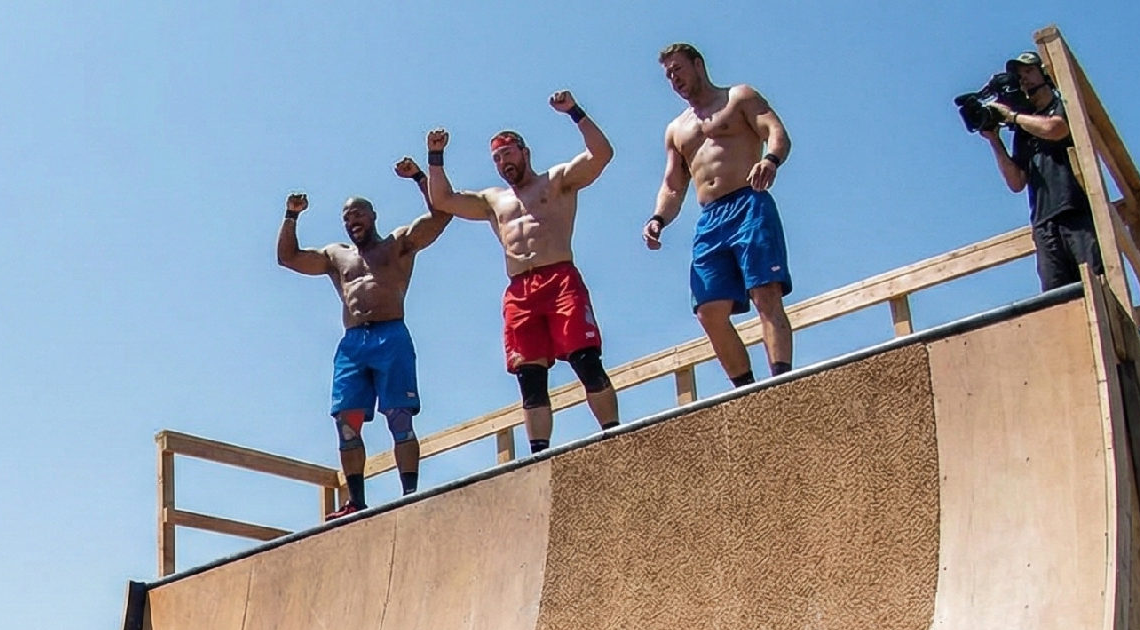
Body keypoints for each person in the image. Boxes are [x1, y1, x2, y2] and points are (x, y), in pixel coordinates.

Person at [421, 92, 621, 456]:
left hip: (559, 278)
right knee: (530, 377)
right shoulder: (494, 200)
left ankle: (614, 435)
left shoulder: (556, 181)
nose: (503, 162)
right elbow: (444, 200)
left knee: (585, 360)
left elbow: (601, 155)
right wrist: (435, 157)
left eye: (508, 153)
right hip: (520, 289)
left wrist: (574, 112)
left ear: (525, 152)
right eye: (497, 158)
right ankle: (539, 454)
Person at [278, 166, 452, 514]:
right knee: (346, 421)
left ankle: (409, 493)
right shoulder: (336, 256)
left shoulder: (399, 244)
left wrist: (420, 177)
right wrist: (291, 216)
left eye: (358, 213)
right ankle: (355, 500)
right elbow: (288, 258)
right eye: (346, 216)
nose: (352, 220)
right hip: (354, 342)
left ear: (373, 216)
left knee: (399, 417)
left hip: (391, 335)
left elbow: (441, 215)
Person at [646, 42, 795, 389]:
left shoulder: (738, 98)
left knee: (765, 293)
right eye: (668, 75)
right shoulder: (677, 129)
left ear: (698, 65)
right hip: (710, 217)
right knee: (708, 311)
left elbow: (776, 132)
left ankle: (783, 384)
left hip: (749, 203)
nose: (674, 79)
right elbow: (672, 184)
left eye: (678, 69)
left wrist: (770, 160)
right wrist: (658, 218)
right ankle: (746, 389)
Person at [972, 50, 1101, 292]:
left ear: (1044, 73)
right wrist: (994, 140)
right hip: (1044, 223)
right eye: (1019, 76)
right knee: (1056, 300)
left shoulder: (1061, 105)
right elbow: (1016, 182)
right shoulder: (1023, 128)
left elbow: (1056, 129)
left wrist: (1012, 116)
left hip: (1076, 212)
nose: (1025, 79)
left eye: (1029, 71)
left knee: (1097, 287)